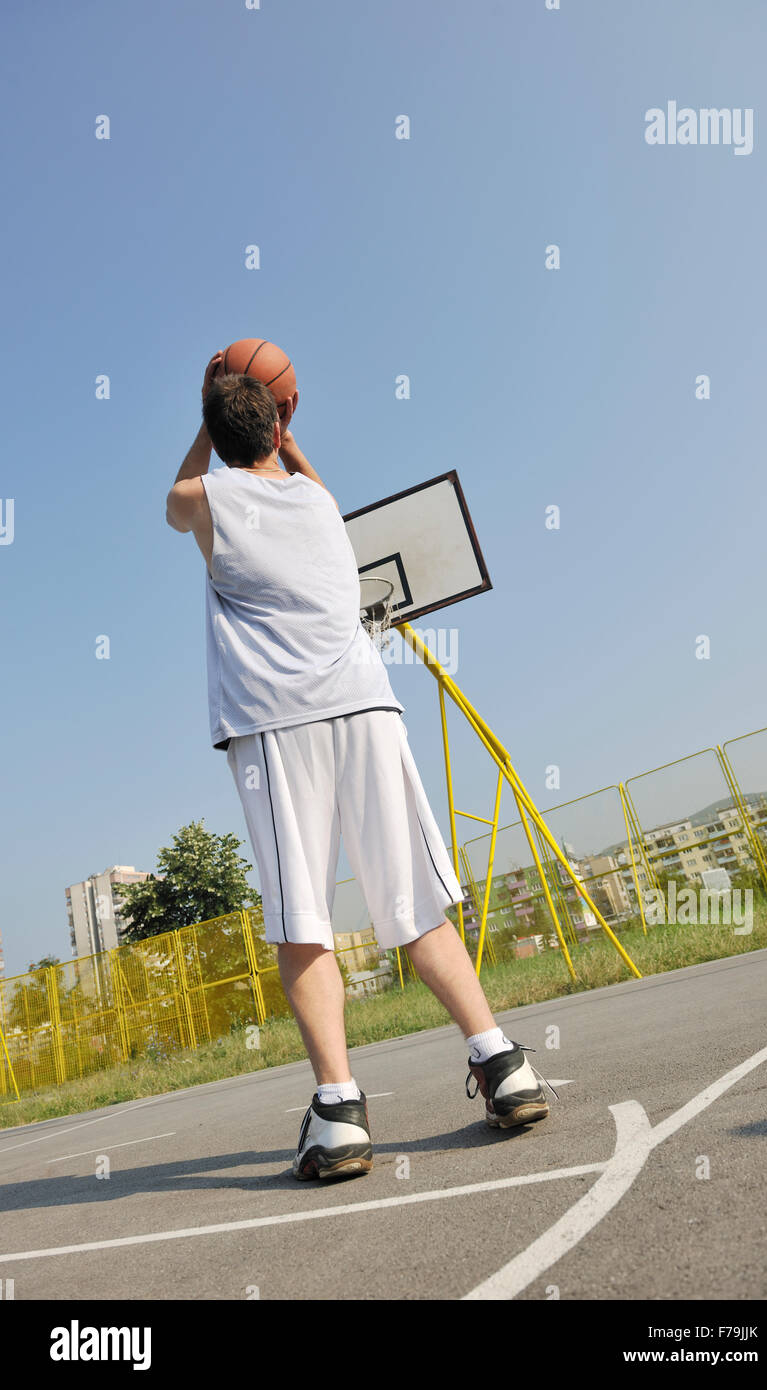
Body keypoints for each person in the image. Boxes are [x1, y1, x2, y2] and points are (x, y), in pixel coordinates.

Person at [165, 351, 549, 1180]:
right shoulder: (320, 504)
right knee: (414, 899)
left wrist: (213, 414)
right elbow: (297, 470)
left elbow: (173, 502)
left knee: (303, 918)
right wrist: (277, 426)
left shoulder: (212, 499)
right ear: (280, 426)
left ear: (220, 434)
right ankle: (503, 1062)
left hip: (276, 723)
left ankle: (339, 1113)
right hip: (369, 709)